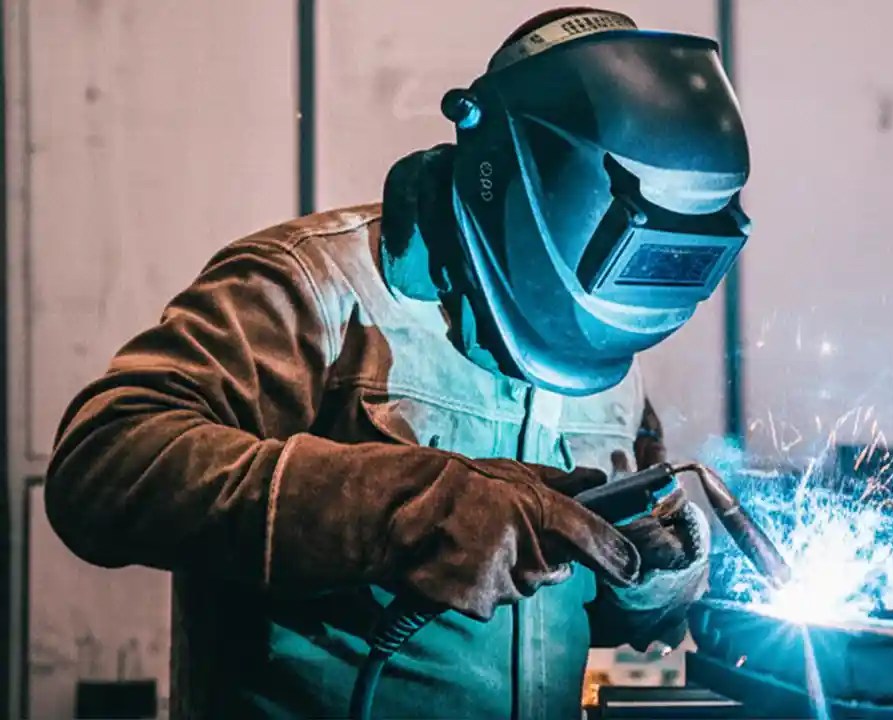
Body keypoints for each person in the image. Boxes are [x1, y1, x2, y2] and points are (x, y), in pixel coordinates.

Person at [43, 6, 751, 720]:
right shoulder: (314, 287)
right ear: (507, 176)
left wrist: (653, 578)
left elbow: (613, 633)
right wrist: (405, 508)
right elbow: (102, 463)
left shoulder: (604, 354)